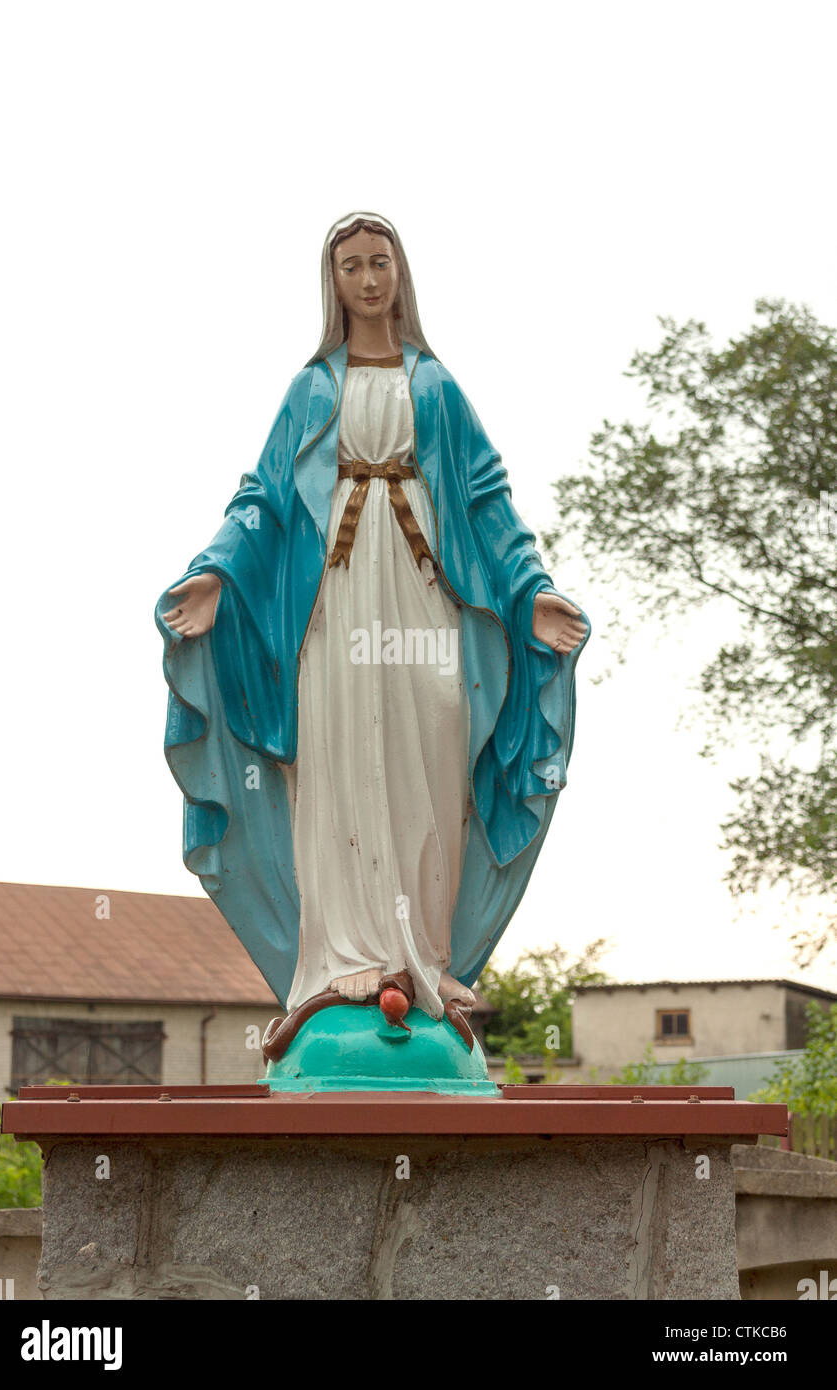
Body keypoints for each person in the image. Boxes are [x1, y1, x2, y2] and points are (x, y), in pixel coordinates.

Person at [156, 211, 589, 1027]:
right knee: (341, 752)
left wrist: (529, 589)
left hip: (425, 590)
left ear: (400, 272)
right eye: (350, 265)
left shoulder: (437, 386)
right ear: (333, 281)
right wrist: (218, 571)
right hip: (336, 594)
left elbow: (487, 498)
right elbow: (263, 496)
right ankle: (345, 953)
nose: (366, 278)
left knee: (432, 749)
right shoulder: (311, 389)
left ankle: (426, 954)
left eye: (378, 262)